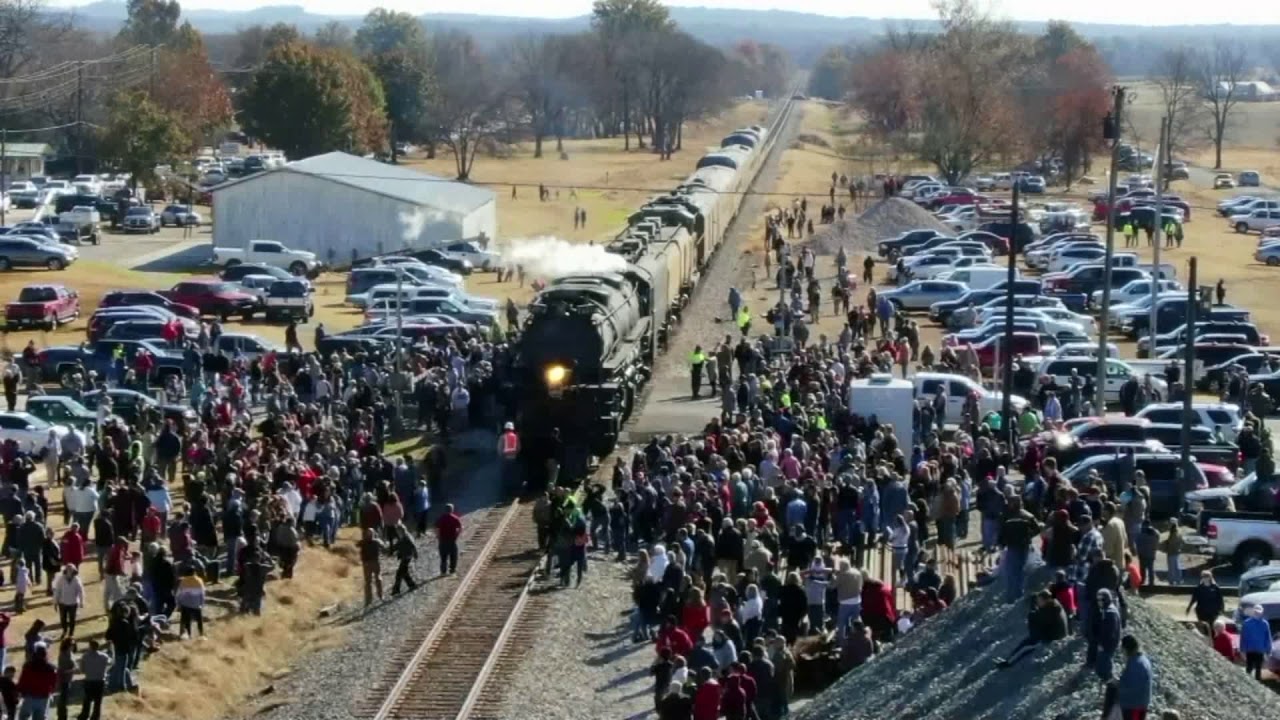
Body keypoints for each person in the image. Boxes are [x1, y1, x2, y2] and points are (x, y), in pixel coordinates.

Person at [995, 590, 1069, 668]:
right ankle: (1008, 659)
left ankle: (1008, 663)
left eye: (1040, 601)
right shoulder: (1052, 604)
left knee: (1026, 646)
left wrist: (1032, 610)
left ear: (1046, 600)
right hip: (1049, 630)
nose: (1038, 602)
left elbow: (1035, 617)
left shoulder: (1052, 610)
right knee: (1025, 642)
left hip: (1052, 636)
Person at [1115, 634, 1153, 720]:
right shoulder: (1143, 659)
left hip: (1133, 706)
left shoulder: (1135, 664)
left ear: (1126, 649)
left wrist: (1118, 685)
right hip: (1141, 704)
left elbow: (1131, 687)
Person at [16, 642, 57, 720]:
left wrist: (20, 691)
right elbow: (54, 683)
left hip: (30, 696)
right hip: (44, 698)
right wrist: (51, 692)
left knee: (23, 717)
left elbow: (23, 681)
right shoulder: (51, 668)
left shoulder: (28, 666)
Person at [77, 640, 109, 720]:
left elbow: (82, 671)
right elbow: (110, 663)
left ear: (90, 646)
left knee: (87, 700)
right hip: (100, 681)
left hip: (89, 680)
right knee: (98, 701)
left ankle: (84, 715)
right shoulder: (104, 656)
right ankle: (95, 716)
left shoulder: (85, 656)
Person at [1240, 603, 1272, 681]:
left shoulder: (1265, 624)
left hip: (1260, 650)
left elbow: (1268, 638)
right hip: (1249, 649)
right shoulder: (1246, 623)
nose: (1257, 613)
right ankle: (1247, 683)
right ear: (1253, 612)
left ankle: (1258, 683)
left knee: (1258, 668)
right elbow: (1243, 637)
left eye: (1259, 612)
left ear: (1262, 612)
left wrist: (1268, 651)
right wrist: (1242, 650)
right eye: (1256, 612)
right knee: (1249, 667)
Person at [391, 524, 419, 595]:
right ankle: (412, 585)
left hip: (407, 557)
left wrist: (415, 554)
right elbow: (397, 546)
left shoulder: (406, 537)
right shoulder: (402, 537)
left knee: (399, 573)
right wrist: (390, 550)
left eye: (398, 531)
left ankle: (396, 590)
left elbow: (413, 546)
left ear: (402, 530)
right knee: (404, 573)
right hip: (405, 556)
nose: (397, 532)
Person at [436, 503, 462, 576]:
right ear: (452, 510)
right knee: (453, 556)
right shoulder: (455, 518)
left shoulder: (440, 518)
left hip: (443, 540)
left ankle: (443, 572)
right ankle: (452, 571)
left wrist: (438, 537)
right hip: (452, 540)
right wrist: (457, 535)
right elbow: (460, 528)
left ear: (445, 510)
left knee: (443, 557)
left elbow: (437, 529)